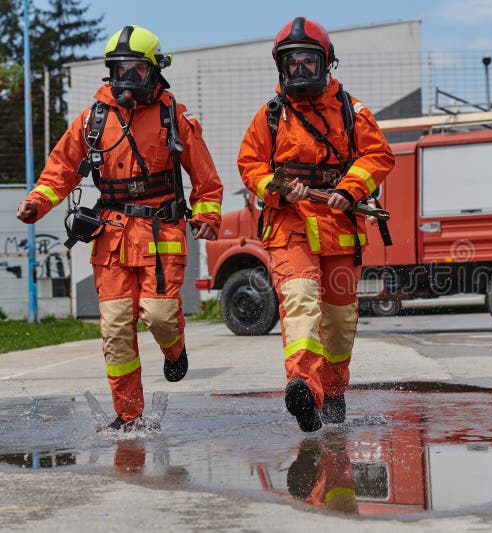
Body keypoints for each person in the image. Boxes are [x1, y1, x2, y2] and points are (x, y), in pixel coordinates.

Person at [16, 25, 223, 431]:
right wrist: (36, 202)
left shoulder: (174, 115)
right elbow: (59, 171)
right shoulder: (93, 118)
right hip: (111, 237)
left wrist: (207, 216)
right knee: (114, 330)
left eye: (135, 70)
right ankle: (129, 416)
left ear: (154, 71)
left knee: (161, 315)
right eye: (118, 70)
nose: (125, 80)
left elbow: (207, 180)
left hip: (161, 233)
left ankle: (174, 350)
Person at [238, 17, 394, 432]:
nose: (300, 71)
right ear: (281, 67)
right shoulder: (270, 116)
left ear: (326, 62)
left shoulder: (351, 110)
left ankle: (334, 390)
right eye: (292, 63)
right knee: (302, 302)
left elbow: (378, 155)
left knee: (340, 323)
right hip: (289, 226)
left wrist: (351, 189)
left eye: (309, 61)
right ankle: (304, 388)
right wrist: (276, 187)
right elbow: (249, 164)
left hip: (339, 226)